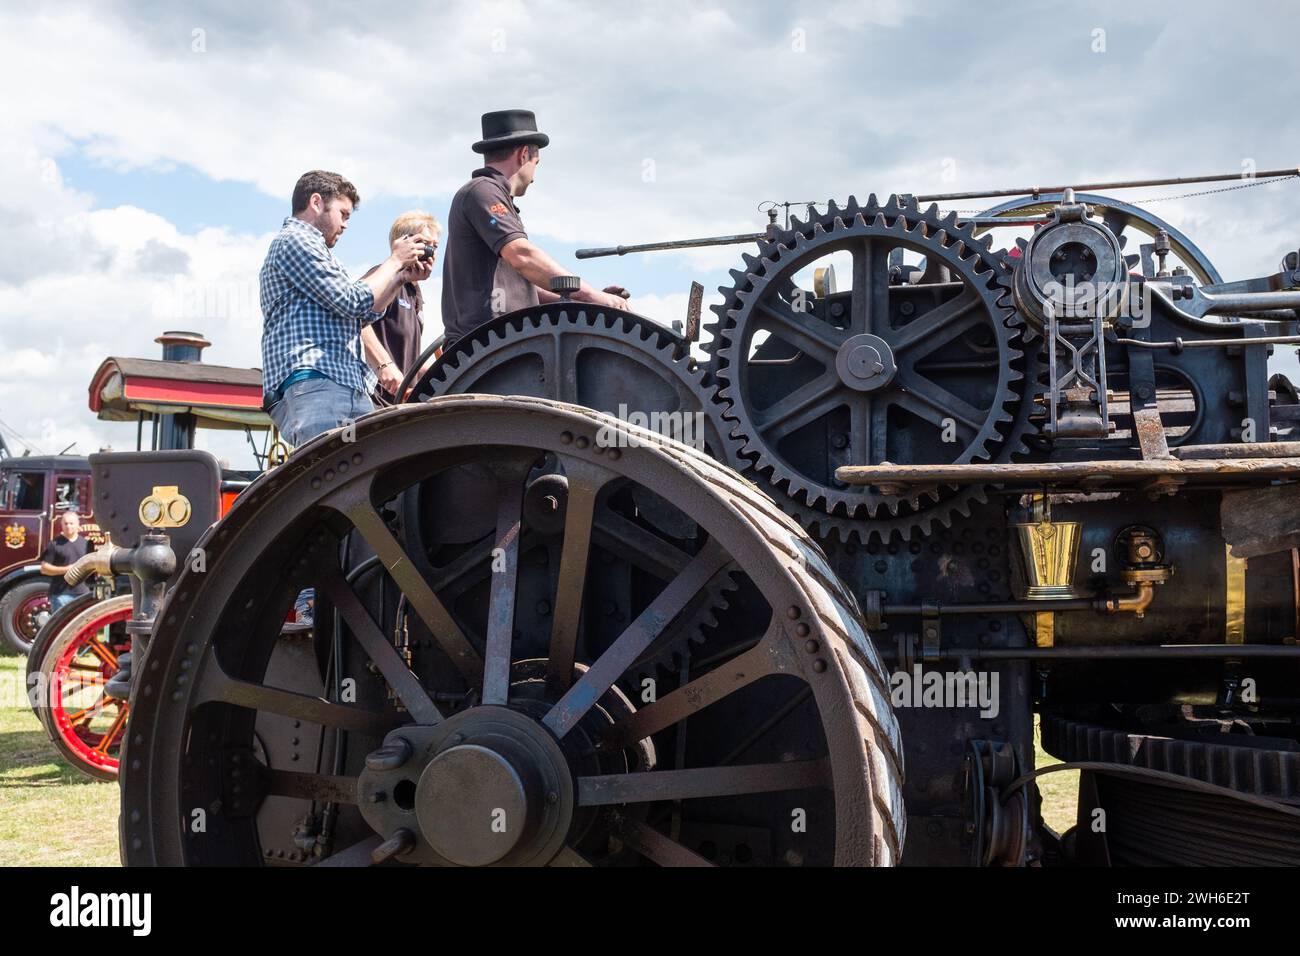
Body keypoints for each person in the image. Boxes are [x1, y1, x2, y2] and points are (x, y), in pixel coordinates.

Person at [260, 170, 436, 447]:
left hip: (340, 386)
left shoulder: (318, 252)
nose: (345, 225)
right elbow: (351, 300)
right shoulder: (295, 241)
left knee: (357, 476)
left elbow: (363, 314)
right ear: (316, 202)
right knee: (333, 477)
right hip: (317, 384)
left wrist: (401, 276)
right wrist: (393, 262)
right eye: (343, 214)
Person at [441, 109, 631, 344]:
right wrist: (591, 293)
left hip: (498, 344)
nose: (534, 177)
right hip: (482, 348)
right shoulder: (483, 191)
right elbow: (523, 256)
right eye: (536, 163)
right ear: (523, 155)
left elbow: (529, 292)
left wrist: (588, 301)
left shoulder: (493, 198)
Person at [361, 211, 440, 404]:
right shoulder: (383, 276)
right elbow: (354, 317)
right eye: (425, 245)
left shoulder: (414, 291)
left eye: (435, 247)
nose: (431, 253)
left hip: (397, 400)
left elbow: (407, 357)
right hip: (372, 399)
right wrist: (384, 366)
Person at [39, 512, 93, 611]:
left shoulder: (87, 544)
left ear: (78, 525)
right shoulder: (54, 544)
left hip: (83, 593)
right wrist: (67, 569)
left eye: (71, 523)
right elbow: (44, 568)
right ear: (62, 525)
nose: (68, 526)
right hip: (61, 595)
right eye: (66, 523)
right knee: (62, 626)